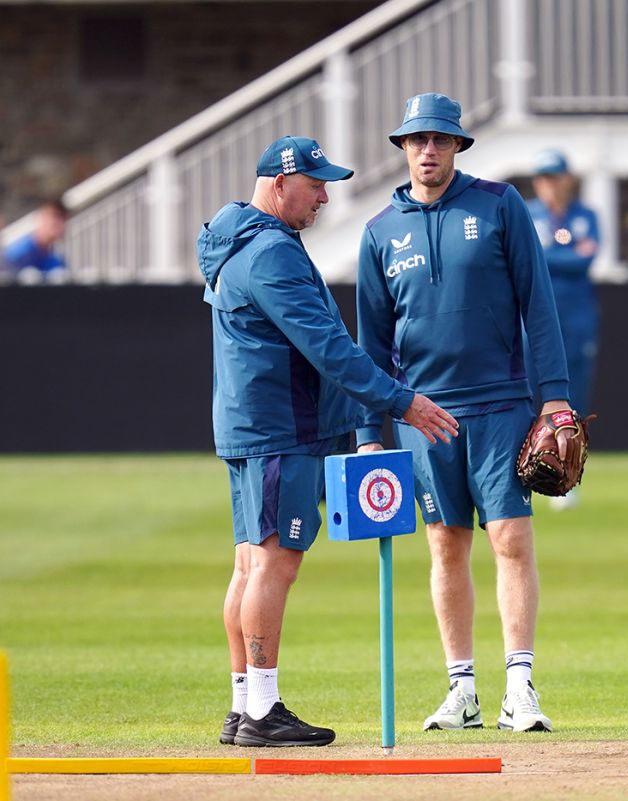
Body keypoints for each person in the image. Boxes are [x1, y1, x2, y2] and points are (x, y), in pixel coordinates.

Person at [196, 135, 458, 748]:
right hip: (279, 429)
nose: (323, 198)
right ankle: (261, 711)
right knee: (272, 565)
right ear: (280, 184)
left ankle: (243, 707)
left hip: (254, 426)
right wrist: (403, 402)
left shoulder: (243, 244)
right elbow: (329, 348)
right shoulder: (271, 254)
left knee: (249, 564)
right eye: (315, 186)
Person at [355, 94, 573, 733]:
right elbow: (370, 342)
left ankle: (520, 686)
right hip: (422, 415)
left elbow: (539, 303)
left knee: (511, 538)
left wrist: (554, 394)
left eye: (440, 140)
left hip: (502, 404)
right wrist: (370, 431)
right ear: (403, 147)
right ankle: (463, 692)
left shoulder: (500, 204)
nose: (428, 149)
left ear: (457, 146)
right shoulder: (378, 232)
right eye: (417, 139)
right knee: (445, 547)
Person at [524, 149, 601, 509]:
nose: (549, 185)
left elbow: (586, 258)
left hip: (576, 320)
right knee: (526, 395)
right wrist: (558, 253)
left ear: (567, 179)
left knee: (573, 399)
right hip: (534, 322)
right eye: (543, 178)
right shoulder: (527, 213)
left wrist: (548, 252)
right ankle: (525, 468)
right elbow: (530, 259)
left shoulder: (585, 216)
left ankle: (566, 475)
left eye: (555, 177)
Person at [4, 199, 68, 279]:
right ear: (41, 218)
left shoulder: (56, 259)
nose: (59, 223)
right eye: (54, 217)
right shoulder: (17, 254)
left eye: (63, 219)